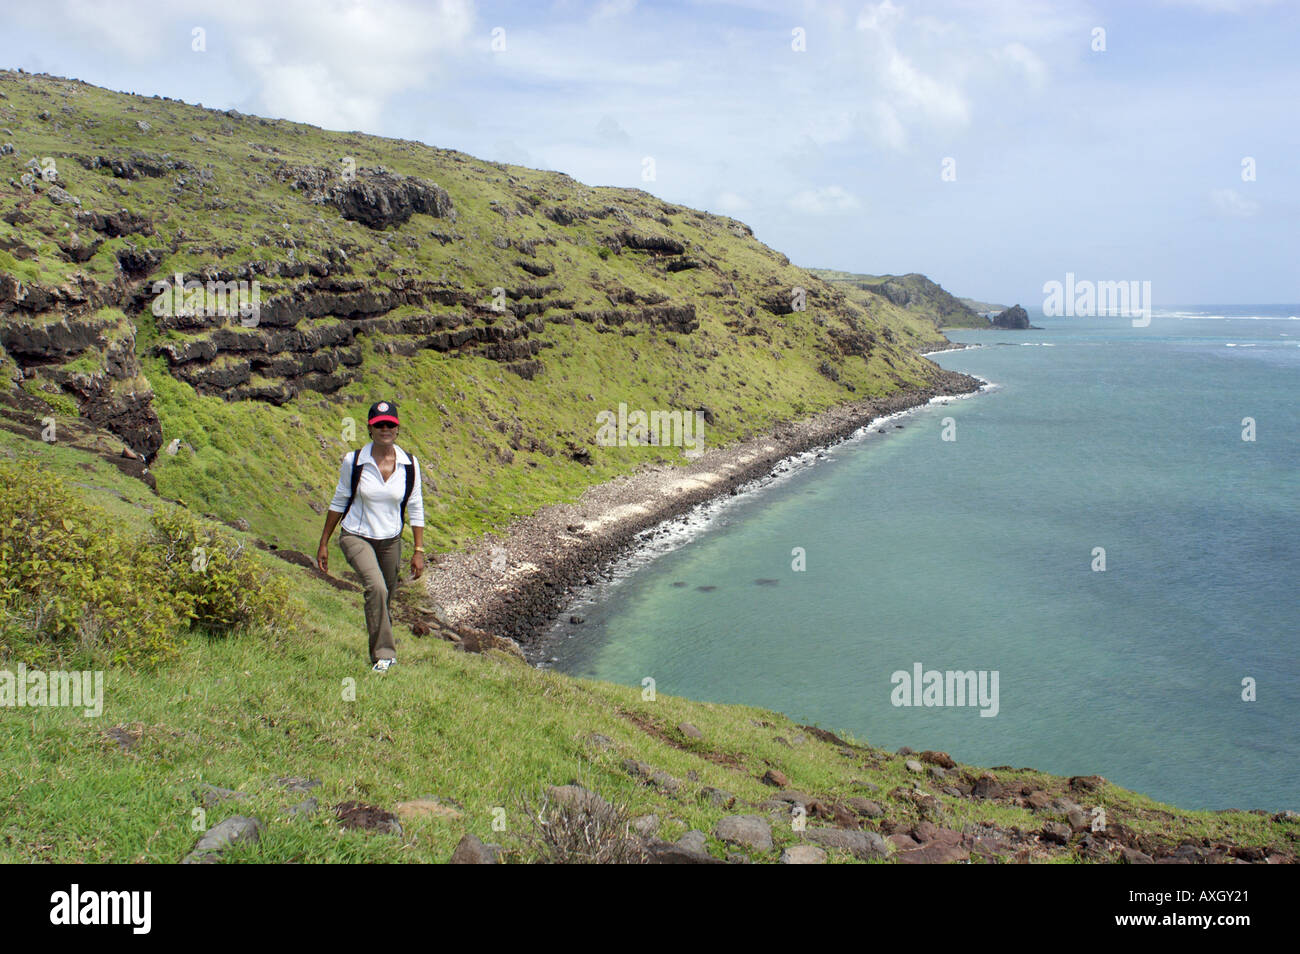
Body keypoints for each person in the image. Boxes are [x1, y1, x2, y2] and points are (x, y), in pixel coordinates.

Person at [316, 400, 425, 671]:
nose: (385, 429)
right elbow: (339, 500)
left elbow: (416, 505)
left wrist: (419, 550)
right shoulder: (354, 461)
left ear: (397, 429)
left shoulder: (409, 464)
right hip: (356, 535)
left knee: (386, 597)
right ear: (370, 428)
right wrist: (324, 543)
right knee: (375, 588)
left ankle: (379, 649)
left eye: (390, 425)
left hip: (390, 540)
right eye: (379, 425)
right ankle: (384, 656)